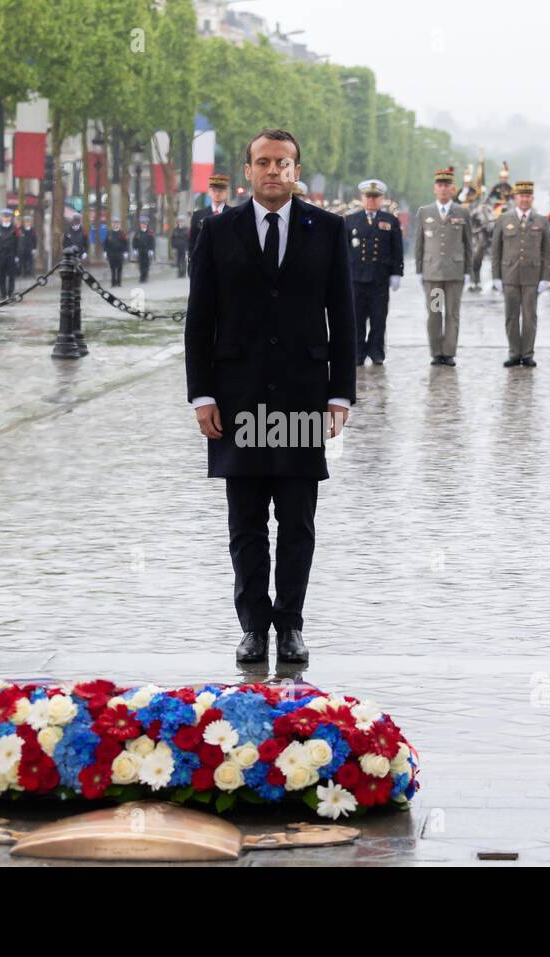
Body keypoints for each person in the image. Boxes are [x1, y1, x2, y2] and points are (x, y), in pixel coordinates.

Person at [184, 127, 356, 667]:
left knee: (299, 521)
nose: (274, 171)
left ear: (296, 171)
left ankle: (293, 625)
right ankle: (254, 628)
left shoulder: (327, 230)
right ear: (248, 171)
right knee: (246, 523)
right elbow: (199, 319)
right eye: (264, 162)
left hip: (303, 399)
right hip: (238, 400)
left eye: (284, 163)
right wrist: (201, 395)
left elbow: (344, 318)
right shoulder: (217, 231)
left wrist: (341, 396)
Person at [413, 166, 473, 365]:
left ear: (453, 189)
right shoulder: (425, 212)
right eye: (440, 185)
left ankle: (449, 352)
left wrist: (468, 271)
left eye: (447, 185)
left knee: (452, 314)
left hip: (455, 273)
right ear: (434, 189)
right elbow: (419, 243)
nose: (444, 189)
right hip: (434, 274)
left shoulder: (463, 212)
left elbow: (468, 244)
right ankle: (436, 351)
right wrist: (419, 270)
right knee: (434, 313)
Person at [489, 180, 550, 367]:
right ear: (515, 198)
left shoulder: (541, 221)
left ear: (532, 198)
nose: (524, 199)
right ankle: (514, 352)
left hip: (532, 276)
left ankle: (528, 353)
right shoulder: (503, 219)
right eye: (521, 196)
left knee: (530, 316)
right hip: (510, 275)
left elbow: (546, 252)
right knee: (511, 316)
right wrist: (496, 276)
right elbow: (496, 250)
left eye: (527, 196)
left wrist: (546, 277)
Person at [344, 178, 404, 366]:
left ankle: (376, 351)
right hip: (356, 277)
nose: (371, 201)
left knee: (379, 318)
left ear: (381, 199)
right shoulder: (350, 220)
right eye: (368, 197)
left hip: (379, 277)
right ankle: (358, 352)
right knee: (357, 318)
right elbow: (343, 250)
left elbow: (397, 249)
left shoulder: (390, 221)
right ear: (362, 198)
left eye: (375, 197)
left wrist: (397, 273)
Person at [188, 173, 230, 273]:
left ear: (226, 192)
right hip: (204, 267)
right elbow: (192, 243)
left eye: (220, 190)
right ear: (209, 192)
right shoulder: (198, 216)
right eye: (214, 190)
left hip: (227, 268)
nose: (217, 193)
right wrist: (192, 266)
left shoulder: (234, 215)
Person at [0, 209, 19, 297]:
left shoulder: (15, 228)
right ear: (2, 218)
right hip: (1, 254)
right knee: (1, 274)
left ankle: (10, 293)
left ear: (10, 218)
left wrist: (17, 255)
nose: (6, 219)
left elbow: (18, 242)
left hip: (11, 254)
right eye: (4, 217)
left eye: (8, 217)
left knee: (11, 275)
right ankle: (2, 293)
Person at [104, 219, 128, 286]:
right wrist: (105, 252)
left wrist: (126, 252)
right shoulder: (109, 233)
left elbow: (125, 243)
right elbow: (106, 243)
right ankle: (113, 283)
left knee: (119, 269)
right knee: (113, 269)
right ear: (112, 224)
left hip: (120, 253)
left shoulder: (122, 233)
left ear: (119, 224)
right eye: (114, 223)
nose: (115, 225)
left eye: (117, 223)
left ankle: (119, 282)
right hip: (111, 254)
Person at [132, 217, 155, 283]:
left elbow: (152, 242)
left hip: (147, 250)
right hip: (140, 250)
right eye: (142, 224)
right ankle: (142, 276)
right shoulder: (137, 233)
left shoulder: (149, 233)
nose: (143, 225)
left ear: (147, 224)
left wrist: (151, 250)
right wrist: (135, 249)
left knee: (146, 264)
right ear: (140, 224)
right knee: (141, 264)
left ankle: (145, 276)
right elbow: (134, 242)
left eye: (144, 224)